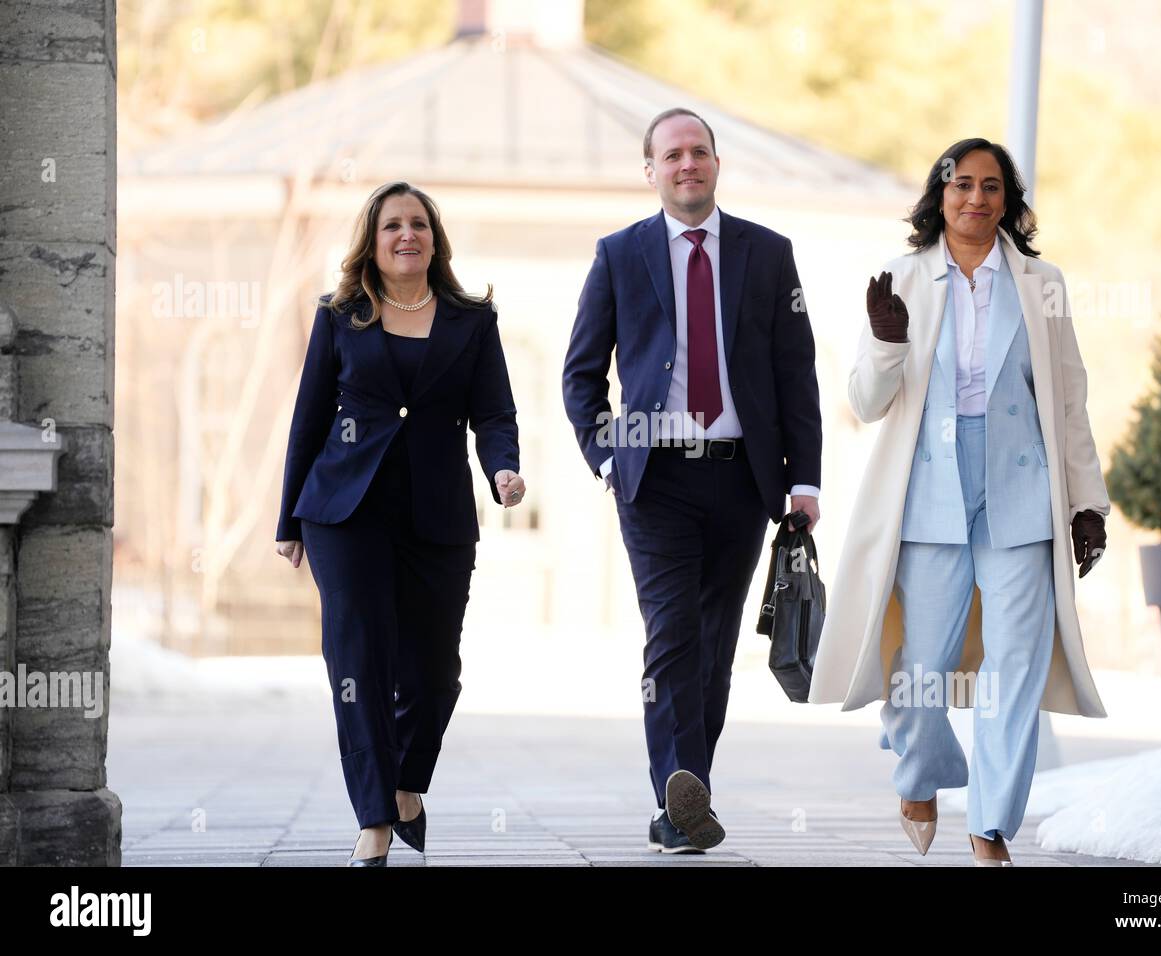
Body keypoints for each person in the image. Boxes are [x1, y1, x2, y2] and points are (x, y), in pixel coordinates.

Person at [808, 139, 1110, 866]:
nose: (976, 198)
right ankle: (920, 773)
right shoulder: (903, 278)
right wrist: (885, 343)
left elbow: (1067, 399)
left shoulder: (1042, 284)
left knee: (1017, 666)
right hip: (930, 491)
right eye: (961, 184)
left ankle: (991, 825)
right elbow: (863, 402)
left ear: (1008, 200)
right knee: (919, 664)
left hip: (1021, 490)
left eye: (991, 186)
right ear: (938, 195)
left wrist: (1087, 503)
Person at [562, 108, 823, 853]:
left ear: (716, 163)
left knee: (714, 644)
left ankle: (684, 802)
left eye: (699, 152)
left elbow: (794, 376)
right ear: (650, 170)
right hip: (655, 480)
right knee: (672, 636)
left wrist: (803, 480)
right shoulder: (619, 255)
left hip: (743, 479)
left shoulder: (768, 254)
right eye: (672, 154)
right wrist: (609, 458)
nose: (687, 164)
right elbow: (581, 376)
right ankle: (680, 790)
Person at [274, 181, 524, 866]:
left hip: (439, 514)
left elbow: (495, 413)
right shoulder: (340, 316)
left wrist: (503, 468)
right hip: (344, 515)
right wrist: (288, 519)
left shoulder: (472, 322)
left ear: (435, 240)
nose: (407, 235)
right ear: (373, 242)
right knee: (358, 661)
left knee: (434, 673)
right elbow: (309, 420)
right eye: (392, 226)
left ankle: (408, 785)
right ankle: (375, 820)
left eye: (419, 224)